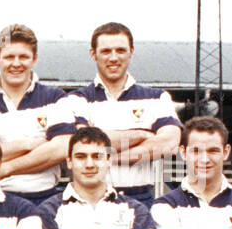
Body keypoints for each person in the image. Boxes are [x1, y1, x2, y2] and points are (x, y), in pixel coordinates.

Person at [0, 24, 78, 204]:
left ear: (34, 59)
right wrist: (28, 145)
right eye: (9, 57)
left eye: (23, 57)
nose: (16, 64)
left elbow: (61, 147)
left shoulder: (55, 98)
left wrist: (5, 168)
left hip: (44, 198)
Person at [66, 22, 182, 206]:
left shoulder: (157, 97)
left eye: (120, 50)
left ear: (131, 52)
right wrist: (141, 135)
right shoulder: (77, 99)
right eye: (106, 51)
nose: (113, 58)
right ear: (93, 54)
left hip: (141, 198)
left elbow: (169, 143)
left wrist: (109, 156)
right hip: (91, 200)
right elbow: (83, 144)